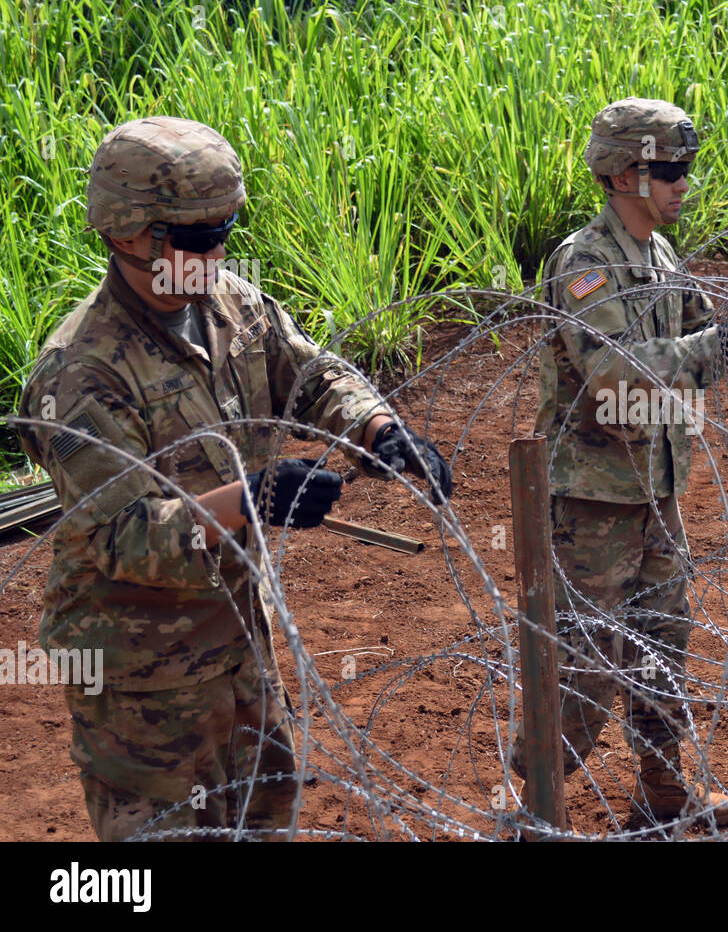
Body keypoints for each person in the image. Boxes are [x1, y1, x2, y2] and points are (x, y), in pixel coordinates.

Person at [16, 116, 452, 841]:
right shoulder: (81, 374)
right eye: (196, 237)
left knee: (265, 819)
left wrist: (377, 426)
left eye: (227, 229)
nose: (217, 251)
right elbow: (122, 535)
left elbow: (312, 376)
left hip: (238, 642)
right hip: (140, 682)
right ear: (130, 234)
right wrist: (254, 497)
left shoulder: (230, 305)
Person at [519, 97, 728, 826]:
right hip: (594, 503)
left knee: (663, 652)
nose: (683, 184)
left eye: (687, 169)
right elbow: (617, 372)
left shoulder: (660, 257)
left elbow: (701, 345)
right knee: (584, 672)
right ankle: (530, 803)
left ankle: (663, 795)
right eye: (670, 171)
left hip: (656, 490)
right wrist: (721, 345)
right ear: (626, 174)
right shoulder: (583, 264)